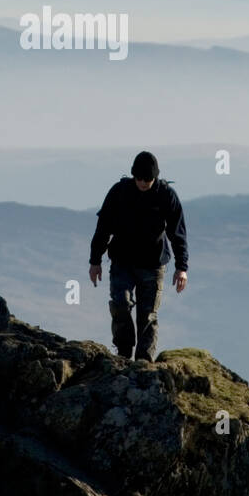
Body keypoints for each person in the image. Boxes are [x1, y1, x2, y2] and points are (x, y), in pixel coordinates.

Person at [88, 151, 188, 363]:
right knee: (120, 305)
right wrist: (95, 261)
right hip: (122, 262)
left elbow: (177, 233)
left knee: (148, 315)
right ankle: (124, 353)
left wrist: (182, 268)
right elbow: (103, 227)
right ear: (133, 175)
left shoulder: (166, 195)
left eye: (147, 179)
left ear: (155, 176)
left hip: (153, 265)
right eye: (139, 178)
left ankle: (144, 361)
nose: (142, 182)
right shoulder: (119, 192)